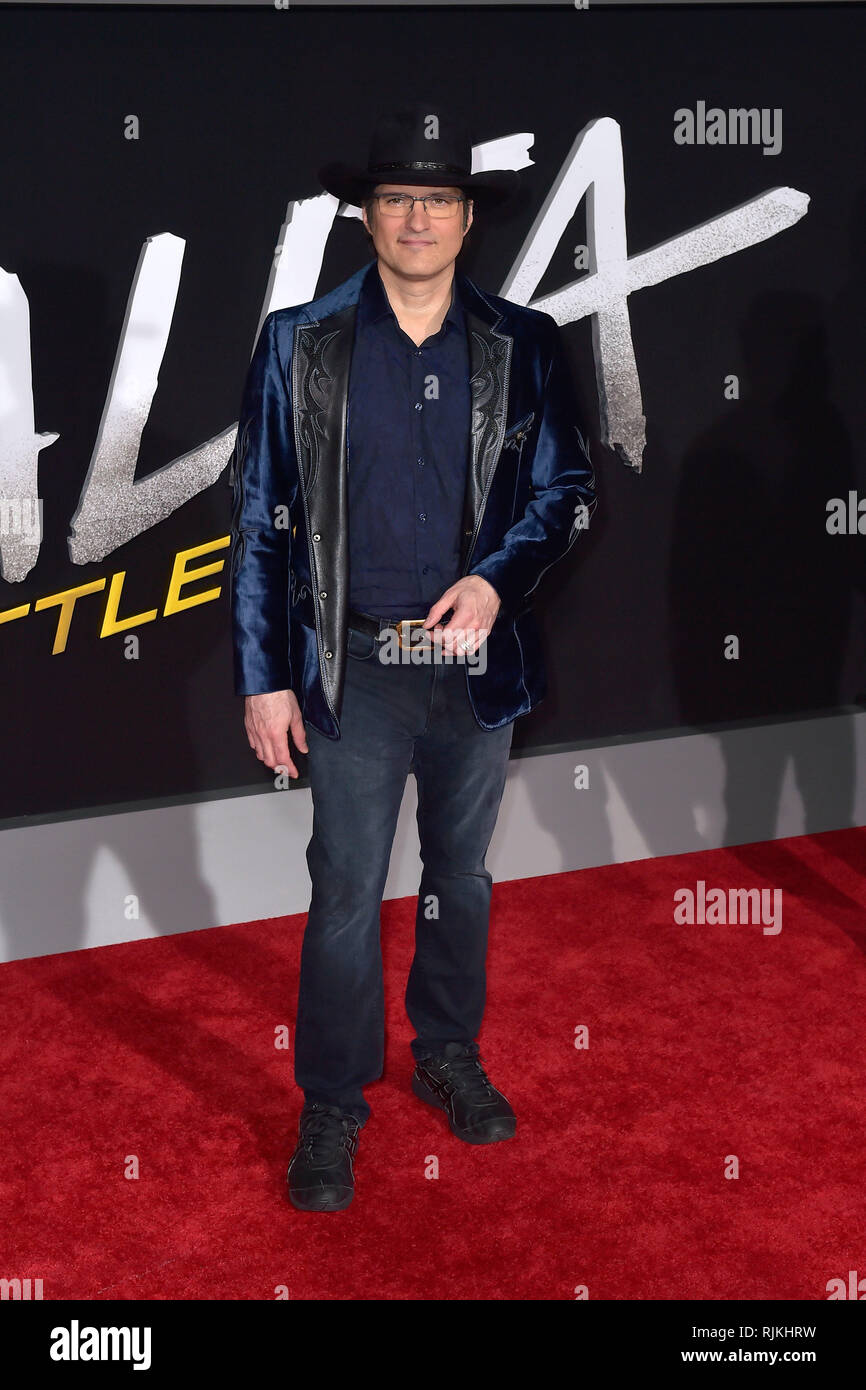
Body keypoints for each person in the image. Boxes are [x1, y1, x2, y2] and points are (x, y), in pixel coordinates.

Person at [228, 102, 596, 1211]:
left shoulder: (523, 343)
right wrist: (263, 674)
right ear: (368, 215)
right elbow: (256, 521)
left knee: (460, 880)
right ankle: (334, 1101)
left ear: (467, 218)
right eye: (398, 199)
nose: (418, 217)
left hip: (472, 669)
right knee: (343, 893)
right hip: (352, 671)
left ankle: (445, 1049)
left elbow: (566, 490)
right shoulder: (298, 342)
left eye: (438, 198)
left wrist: (494, 579)